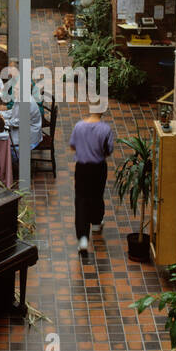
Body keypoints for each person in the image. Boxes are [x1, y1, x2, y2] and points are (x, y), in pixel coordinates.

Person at [69, 106, 115, 257]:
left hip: (82, 168)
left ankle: (82, 238)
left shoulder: (79, 126)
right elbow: (108, 150)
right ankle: (96, 222)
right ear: (102, 110)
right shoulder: (105, 129)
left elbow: (72, 145)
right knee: (97, 194)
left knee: (81, 200)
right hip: (98, 167)